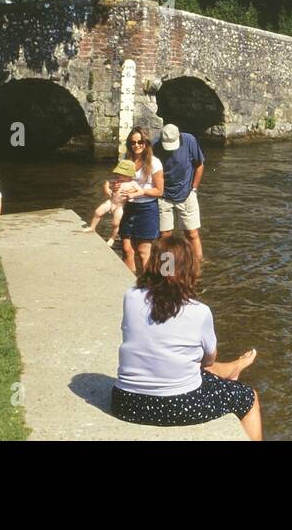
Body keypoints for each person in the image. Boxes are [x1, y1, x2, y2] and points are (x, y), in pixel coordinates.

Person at [111, 234, 261, 440]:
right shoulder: (199, 312)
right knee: (249, 397)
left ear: (154, 263)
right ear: (189, 268)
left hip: (126, 403)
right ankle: (233, 368)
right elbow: (207, 360)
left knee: (186, 362)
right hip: (178, 405)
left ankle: (232, 368)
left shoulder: (131, 297)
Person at [156, 123, 206, 261]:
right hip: (163, 196)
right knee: (165, 235)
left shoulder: (189, 141)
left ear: (179, 137)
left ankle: (197, 266)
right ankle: (168, 270)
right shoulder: (155, 146)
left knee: (191, 233)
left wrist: (194, 189)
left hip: (187, 194)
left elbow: (200, 165)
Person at [119, 126, 164, 274]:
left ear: (146, 143)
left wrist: (141, 192)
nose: (136, 145)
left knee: (143, 252)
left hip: (147, 209)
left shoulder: (154, 163)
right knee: (127, 249)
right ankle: (129, 284)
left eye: (140, 142)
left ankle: (147, 288)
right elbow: (121, 181)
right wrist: (115, 186)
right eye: (133, 142)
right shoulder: (127, 160)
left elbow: (159, 190)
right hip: (130, 207)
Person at [80, 159, 136, 245]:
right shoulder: (116, 180)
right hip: (111, 201)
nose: (120, 175)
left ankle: (112, 238)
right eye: (119, 173)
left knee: (115, 223)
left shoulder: (133, 183)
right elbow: (107, 181)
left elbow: (140, 191)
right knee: (97, 212)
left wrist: (133, 194)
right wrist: (107, 188)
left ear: (130, 175)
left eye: (123, 174)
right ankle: (92, 227)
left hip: (120, 205)